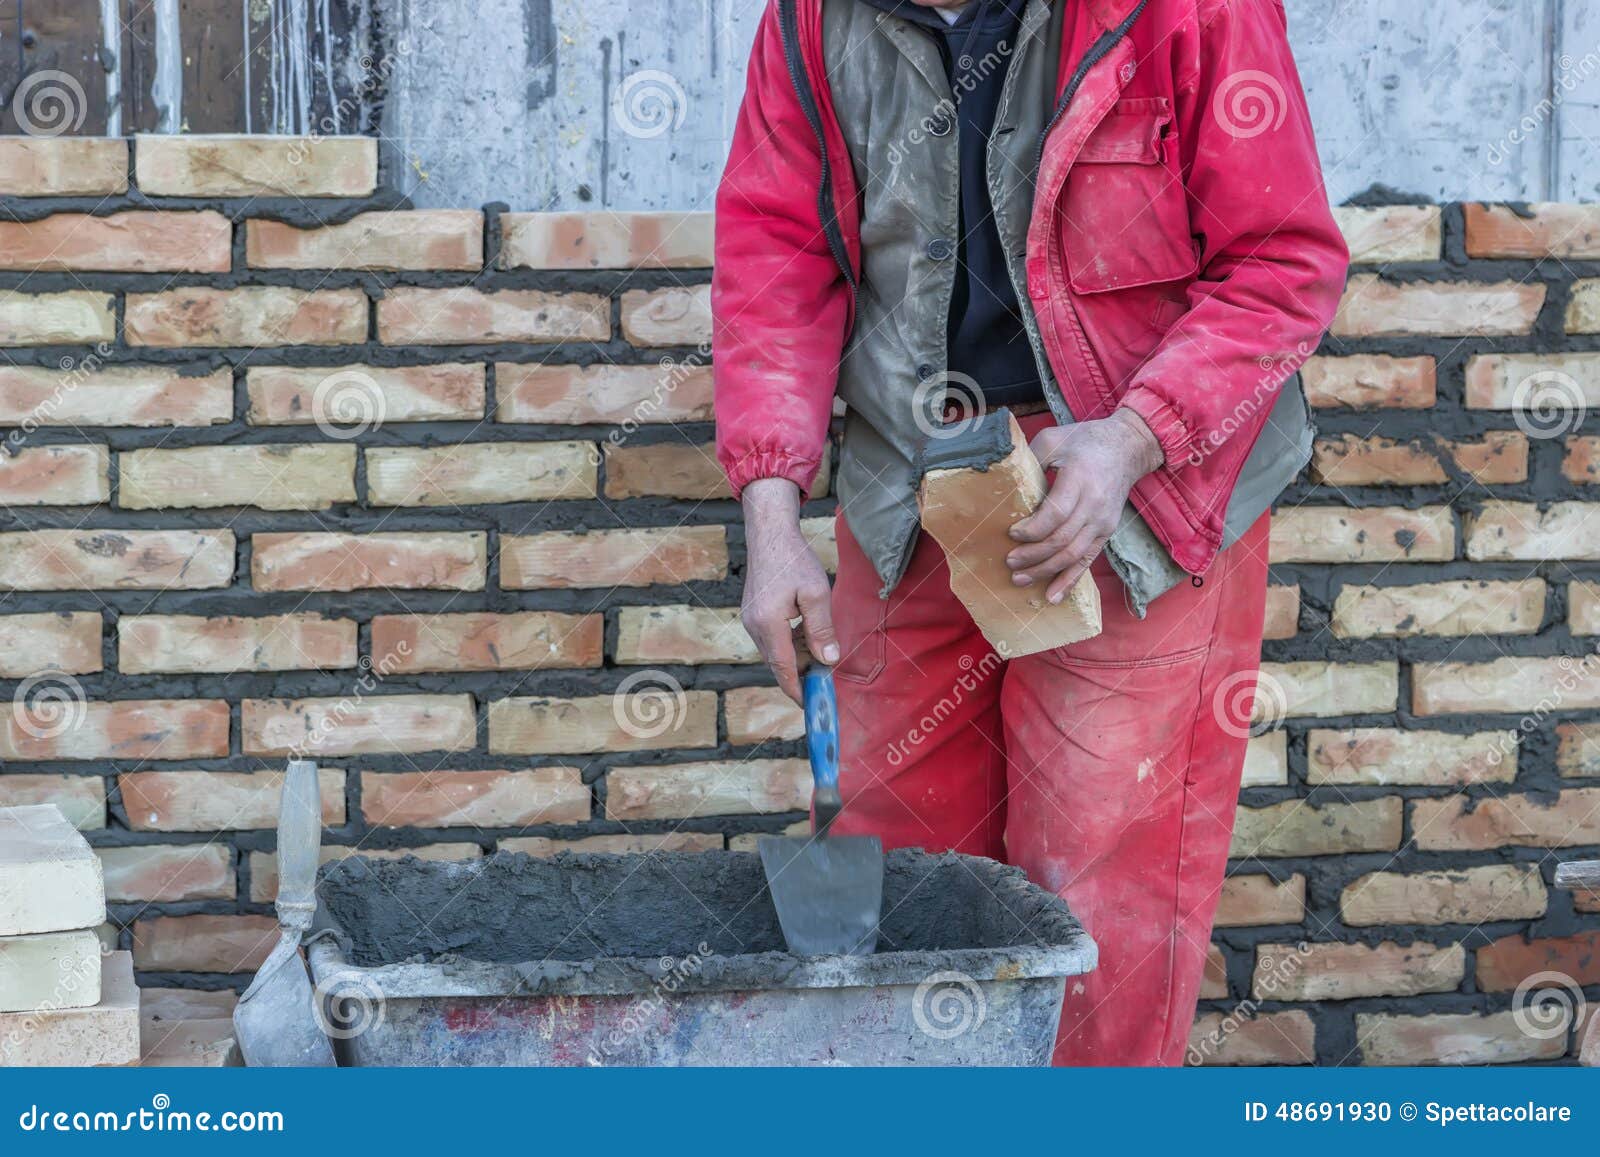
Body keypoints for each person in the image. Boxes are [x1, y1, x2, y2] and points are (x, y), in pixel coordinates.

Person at [712, 0, 1349, 1065]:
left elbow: (1282, 263)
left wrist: (1133, 442)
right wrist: (771, 516)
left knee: (1094, 893)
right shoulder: (812, 21)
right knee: (908, 883)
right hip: (908, 480)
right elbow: (775, 258)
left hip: (1130, 478)